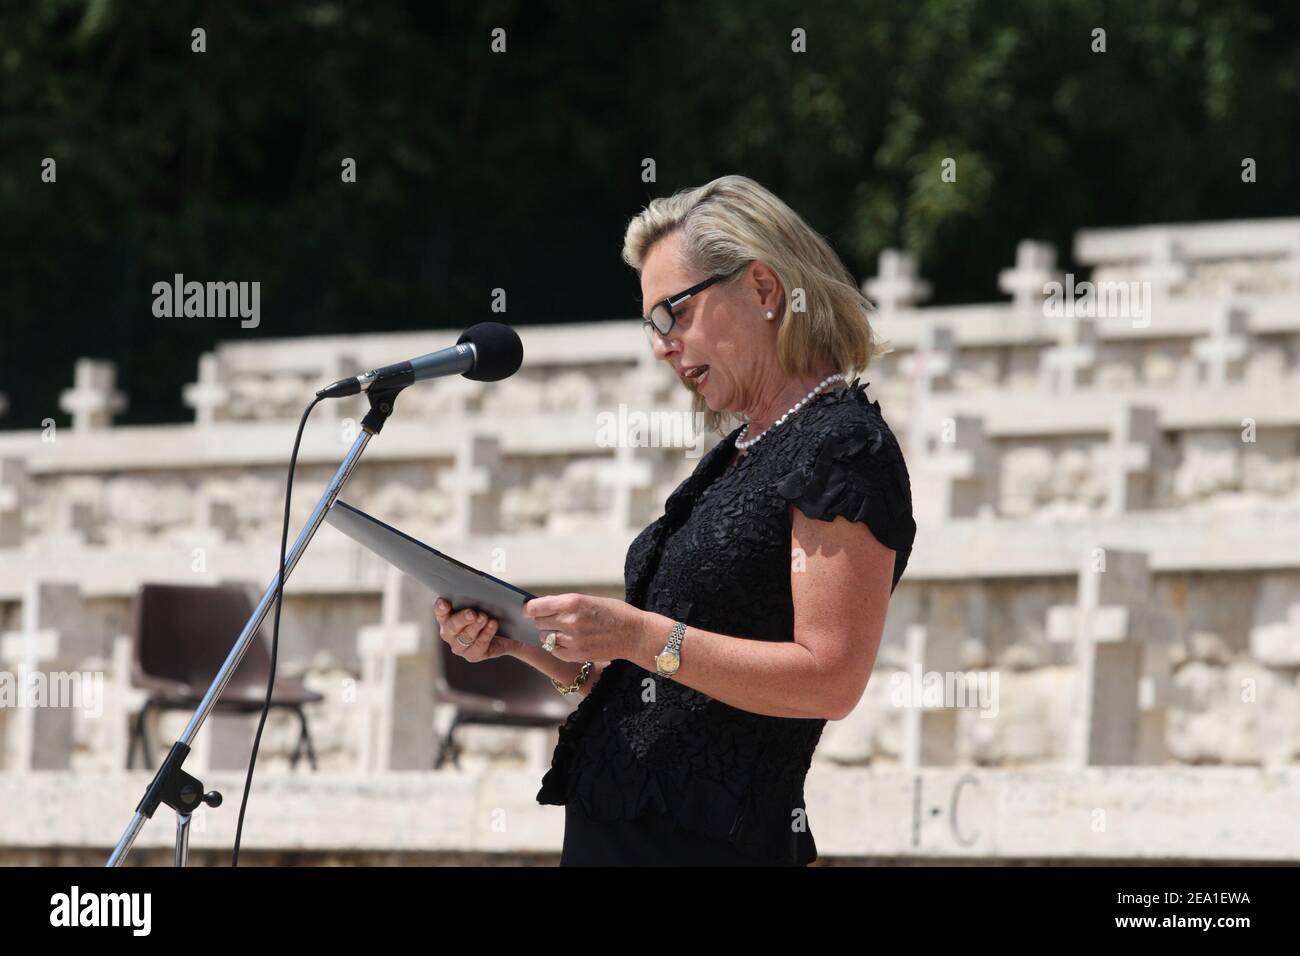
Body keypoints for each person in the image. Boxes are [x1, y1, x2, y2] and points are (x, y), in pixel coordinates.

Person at [434, 174, 916, 866]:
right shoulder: (738, 454)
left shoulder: (841, 446)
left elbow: (829, 678)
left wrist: (636, 631)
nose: (661, 344)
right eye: (651, 325)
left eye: (674, 314)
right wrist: (526, 644)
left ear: (762, 288)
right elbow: (667, 690)